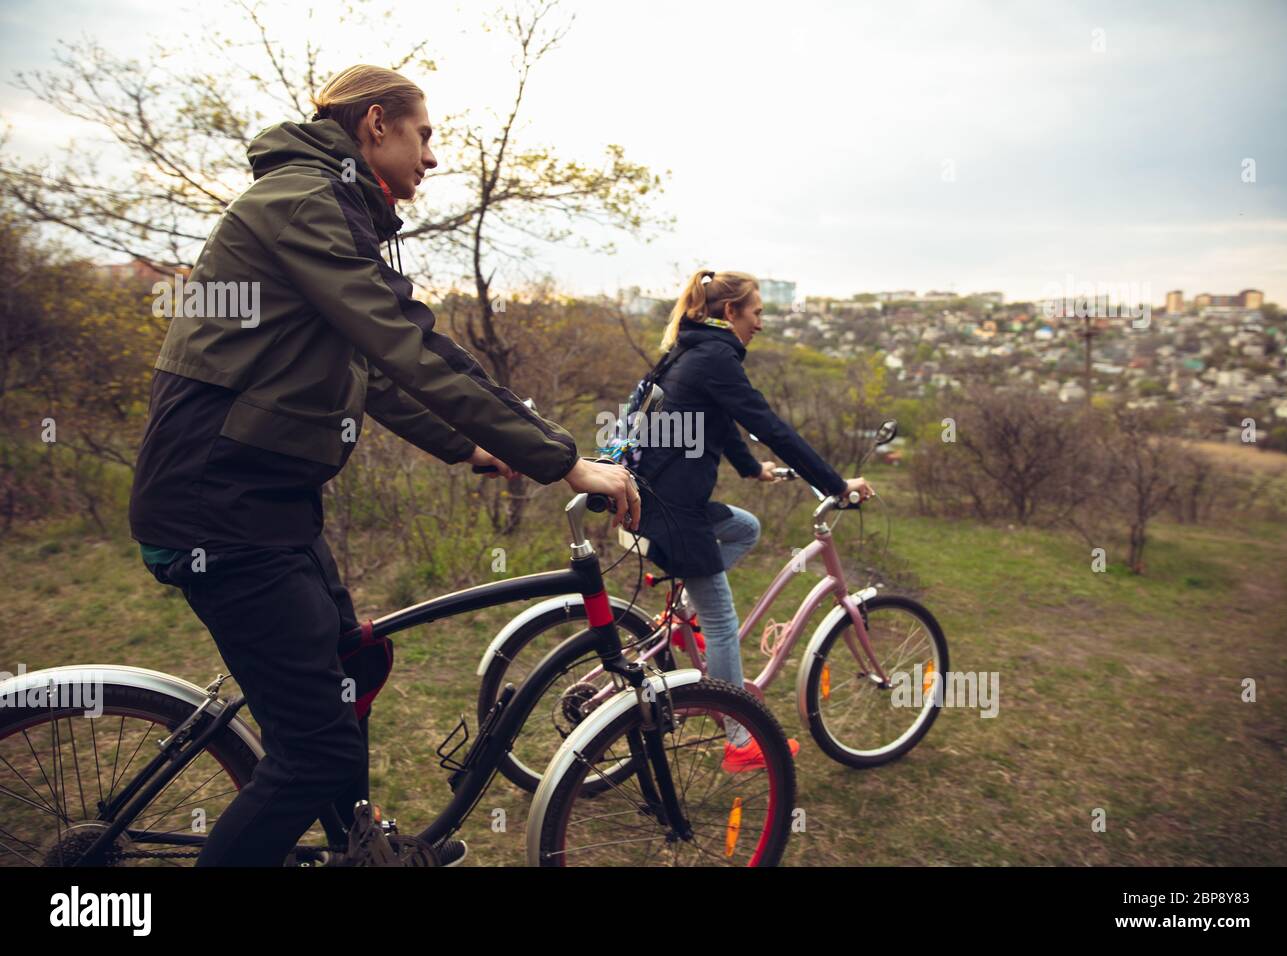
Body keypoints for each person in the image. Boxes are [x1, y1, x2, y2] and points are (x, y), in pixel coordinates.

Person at [129, 64, 638, 867]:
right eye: (425, 135)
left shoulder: (324, 205)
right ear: (375, 125)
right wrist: (560, 460)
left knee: (355, 663)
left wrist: (473, 444)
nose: (432, 157)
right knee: (315, 751)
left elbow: (367, 371)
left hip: (265, 503)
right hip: (216, 506)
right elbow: (406, 340)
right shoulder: (303, 202)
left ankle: (360, 850)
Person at [632, 270, 872, 771]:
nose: (761, 323)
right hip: (675, 511)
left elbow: (718, 420)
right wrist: (836, 485)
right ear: (730, 313)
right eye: (757, 313)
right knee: (723, 624)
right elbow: (770, 426)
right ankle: (740, 740)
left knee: (745, 528)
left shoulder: (691, 349)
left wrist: (749, 468)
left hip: (656, 499)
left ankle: (681, 623)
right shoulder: (716, 355)